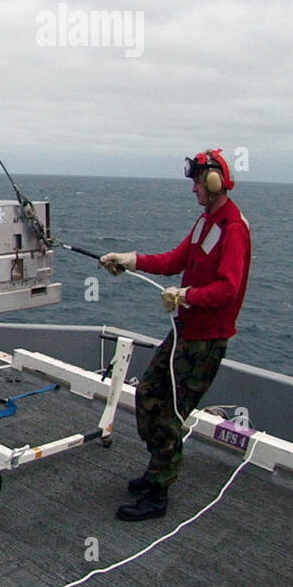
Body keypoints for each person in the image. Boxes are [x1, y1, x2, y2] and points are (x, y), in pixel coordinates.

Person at [99, 149, 251, 522]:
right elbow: (174, 260)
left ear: (214, 182)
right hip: (186, 333)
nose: (194, 189)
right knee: (149, 393)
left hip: (205, 342)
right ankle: (157, 469)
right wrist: (130, 259)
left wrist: (187, 296)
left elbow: (228, 288)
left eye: (198, 182)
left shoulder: (233, 229)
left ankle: (158, 493)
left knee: (169, 413)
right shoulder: (206, 223)